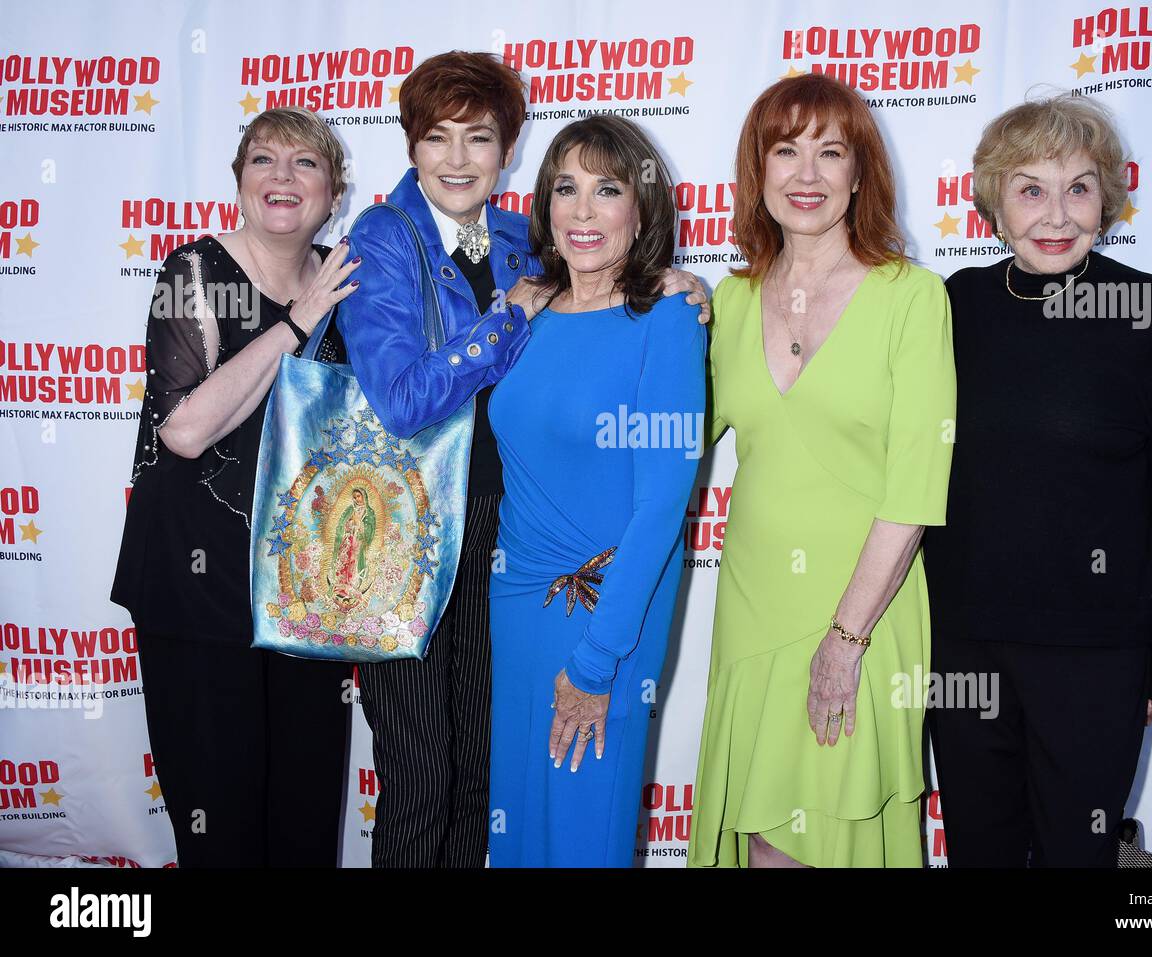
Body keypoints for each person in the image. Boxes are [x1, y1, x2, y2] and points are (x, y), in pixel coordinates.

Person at [336, 52, 709, 868]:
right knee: (423, 780)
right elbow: (402, 399)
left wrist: (681, 285)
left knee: (494, 796)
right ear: (410, 147)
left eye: (481, 137)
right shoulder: (386, 240)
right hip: (418, 554)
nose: (461, 158)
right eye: (439, 137)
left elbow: (658, 493)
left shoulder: (521, 248)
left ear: (508, 152)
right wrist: (504, 319)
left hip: (535, 580)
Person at [924, 94, 1152, 867]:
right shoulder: (953, 306)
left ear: (1106, 200)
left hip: (1096, 658)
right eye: (1030, 188)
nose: (1056, 213)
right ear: (994, 202)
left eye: (1079, 187)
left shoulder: (1146, 309)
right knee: (981, 855)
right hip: (964, 650)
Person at [687, 73, 956, 868]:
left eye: (830, 152)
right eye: (786, 151)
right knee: (769, 845)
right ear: (757, 171)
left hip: (864, 617)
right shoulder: (727, 304)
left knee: (831, 841)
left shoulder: (912, 298)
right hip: (754, 615)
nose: (807, 174)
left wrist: (845, 640)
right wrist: (649, 299)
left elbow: (913, 490)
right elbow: (670, 448)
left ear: (860, 173)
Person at [111, 106, 360, 867]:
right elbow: (184, 430)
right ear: (240, 182)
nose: (283, 176)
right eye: (264, 160)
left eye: (305, 163)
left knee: (306, 815)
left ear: (333, 190)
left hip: (305, 591)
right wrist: (296, 322)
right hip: (198, 581)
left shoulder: (348, 277)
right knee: (218, 819)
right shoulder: (193, 270)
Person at [487, 115, 706, 867]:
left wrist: (596, 661)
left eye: (607, 190)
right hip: (512, 608)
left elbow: (659, 511)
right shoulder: (523, 309)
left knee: (582, 834)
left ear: (640, 210)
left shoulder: (670, 320)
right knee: (516, 828)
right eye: (566, 189)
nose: (582, 211)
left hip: (605, 618)